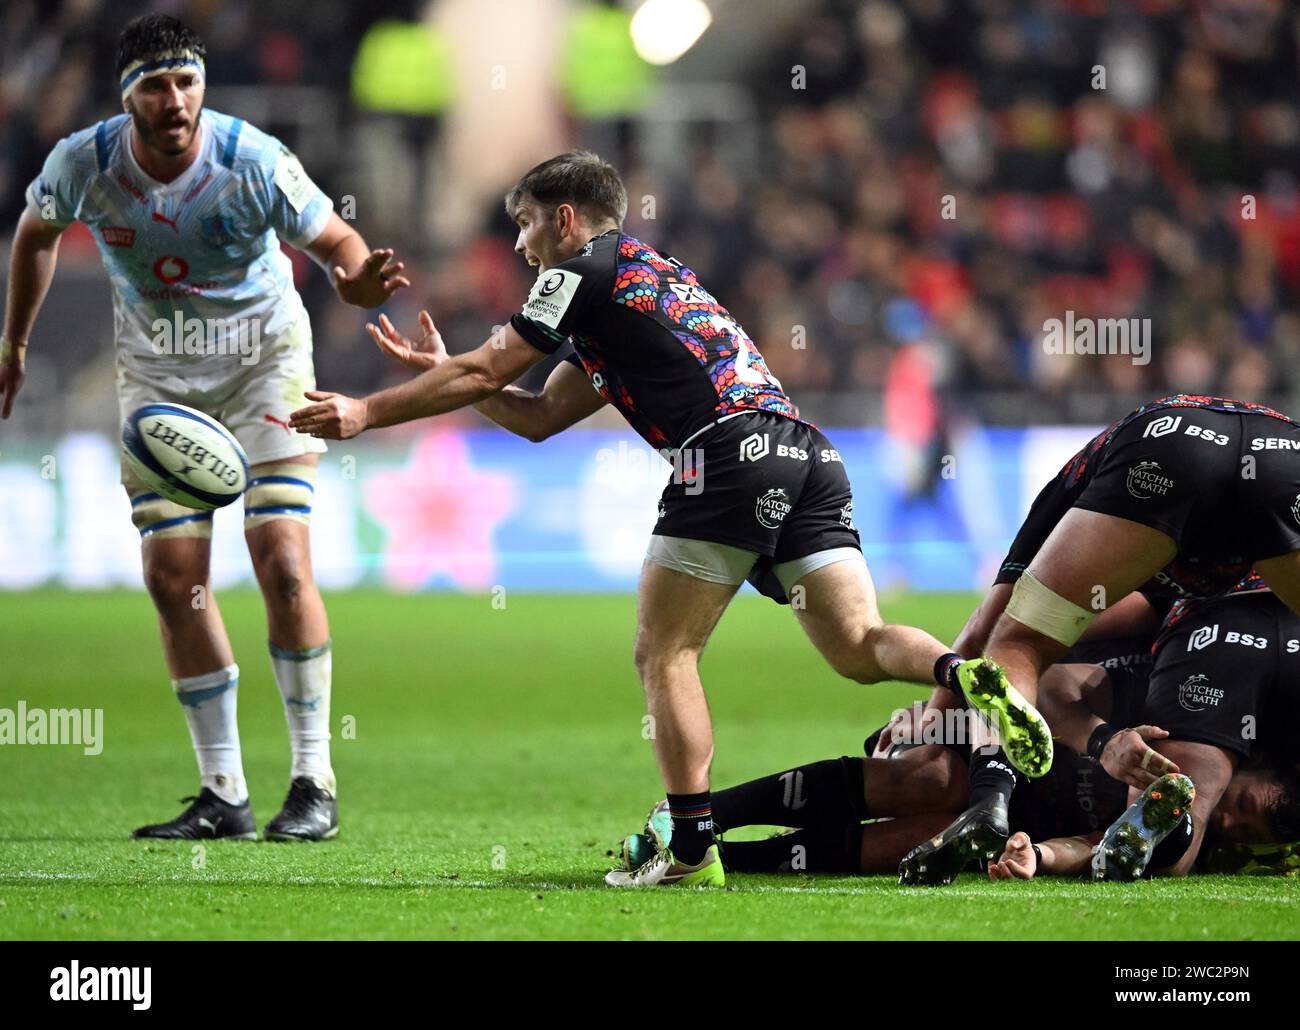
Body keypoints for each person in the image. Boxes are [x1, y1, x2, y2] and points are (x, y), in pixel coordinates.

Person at [289, 150, 966, 887]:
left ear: (566, 219)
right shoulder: (645, 285)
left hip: (726, 456)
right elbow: (541, 414)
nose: (519, 245)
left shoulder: (577, 275)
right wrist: (440, 371)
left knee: (665, 654)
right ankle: (959, 670)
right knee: (860, 645)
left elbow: (490, 366)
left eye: (525, 224)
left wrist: (366, 410)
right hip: (804, 451)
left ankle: (690, 850)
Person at [0, 15, 408, 841]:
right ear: (128, 97)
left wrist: (359, 281)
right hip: (159, 375)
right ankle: (222, 791)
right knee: (172, 574)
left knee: (282, 560)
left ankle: (313, 781)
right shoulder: (84, 162)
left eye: (187, 81)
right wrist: (14, 341)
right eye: (156, 84)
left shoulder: (251, 159)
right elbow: (35, 234)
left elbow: (335, 242)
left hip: (265, 363)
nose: (176, 98)